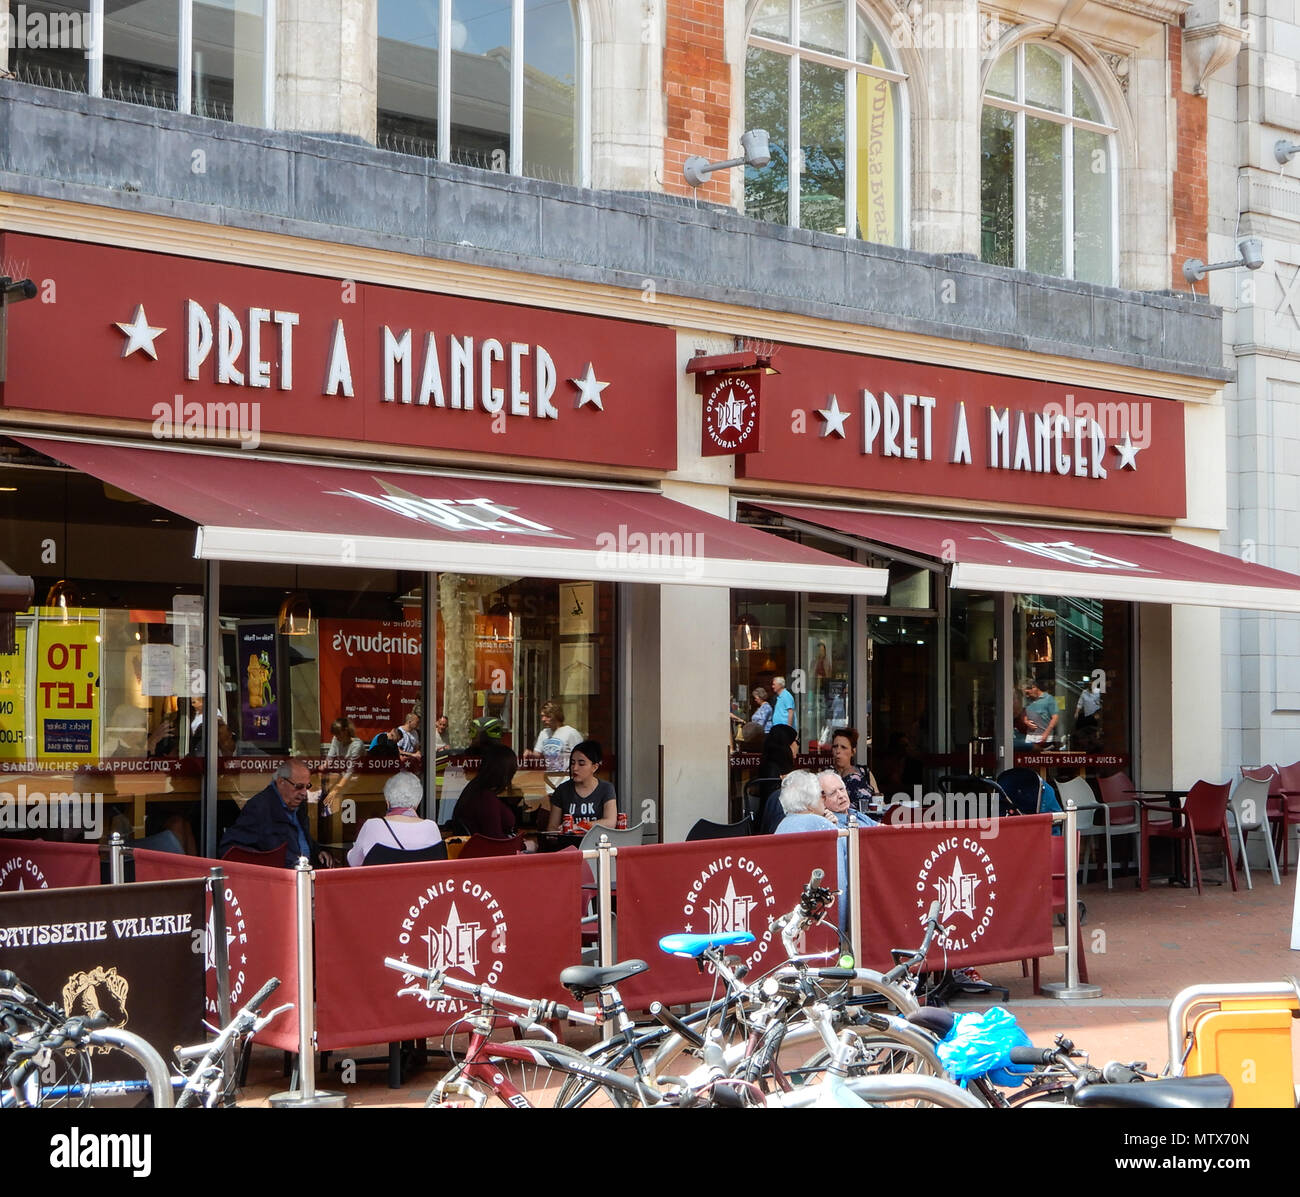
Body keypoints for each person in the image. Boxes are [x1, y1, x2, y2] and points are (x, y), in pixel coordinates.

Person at [218, 760, 333, 868]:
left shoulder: (299, 804)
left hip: (305, 874)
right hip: (279, 880)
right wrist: (266, 865)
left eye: (307, 786)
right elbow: (231, 848)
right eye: (298, 786)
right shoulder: (260, 808)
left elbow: (299, 837)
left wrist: (317, 851)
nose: (304, 793)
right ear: (281, 782)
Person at [346, 771, 442, 866]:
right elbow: (438, 866)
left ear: (387, 802)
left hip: (382, 881)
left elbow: (354, 863)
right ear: (417, 803)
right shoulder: (431, 827)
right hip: (421, 881)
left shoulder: (372, 826)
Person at [453, 743, 521, 839]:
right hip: (492, 851)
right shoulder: (485, 798)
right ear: (505, 773)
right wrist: (524, 845)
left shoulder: (474, 789)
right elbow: (494, 840)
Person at [546, 739, 617, 830]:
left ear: (594, 767)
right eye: (572, 763)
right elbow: (552, 828)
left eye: (581, 764)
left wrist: (578, 826)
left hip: (597, 842)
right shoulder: (562, 790)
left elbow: (610, 822)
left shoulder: (606, 788)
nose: (575, 768)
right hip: (569, 843)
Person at [758, 724, 799, 834]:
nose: (798, 746)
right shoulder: (775, 771)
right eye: (796, 741)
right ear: (787, 744)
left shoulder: (768, 766)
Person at [828, 726, 879, 809]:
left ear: (853, 751)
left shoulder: (864, 772)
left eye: (843, 747)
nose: (838, 751)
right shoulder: (826, 774)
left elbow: (879, 799)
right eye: (835, 746)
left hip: (867, 819)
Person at [525, 699, 583, 767]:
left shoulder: (571, 733)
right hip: (550, 776)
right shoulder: (544, 733)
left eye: (547, 716)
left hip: (567, 776)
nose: (543, 719)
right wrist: (530, 754)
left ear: (556, 716)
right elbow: (538, 755)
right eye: (542, 716)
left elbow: (582, 756)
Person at [1018, 678, 1059, 747]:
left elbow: (1055, 718)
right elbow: (1023, 712)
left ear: (1034, 687)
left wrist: (1046, 733)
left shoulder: (1049, 699)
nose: (1026, 695)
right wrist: (1025, 721)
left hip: (1044, 738)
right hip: (1030, 737)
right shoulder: (1027, 699)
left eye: (1027, 693)